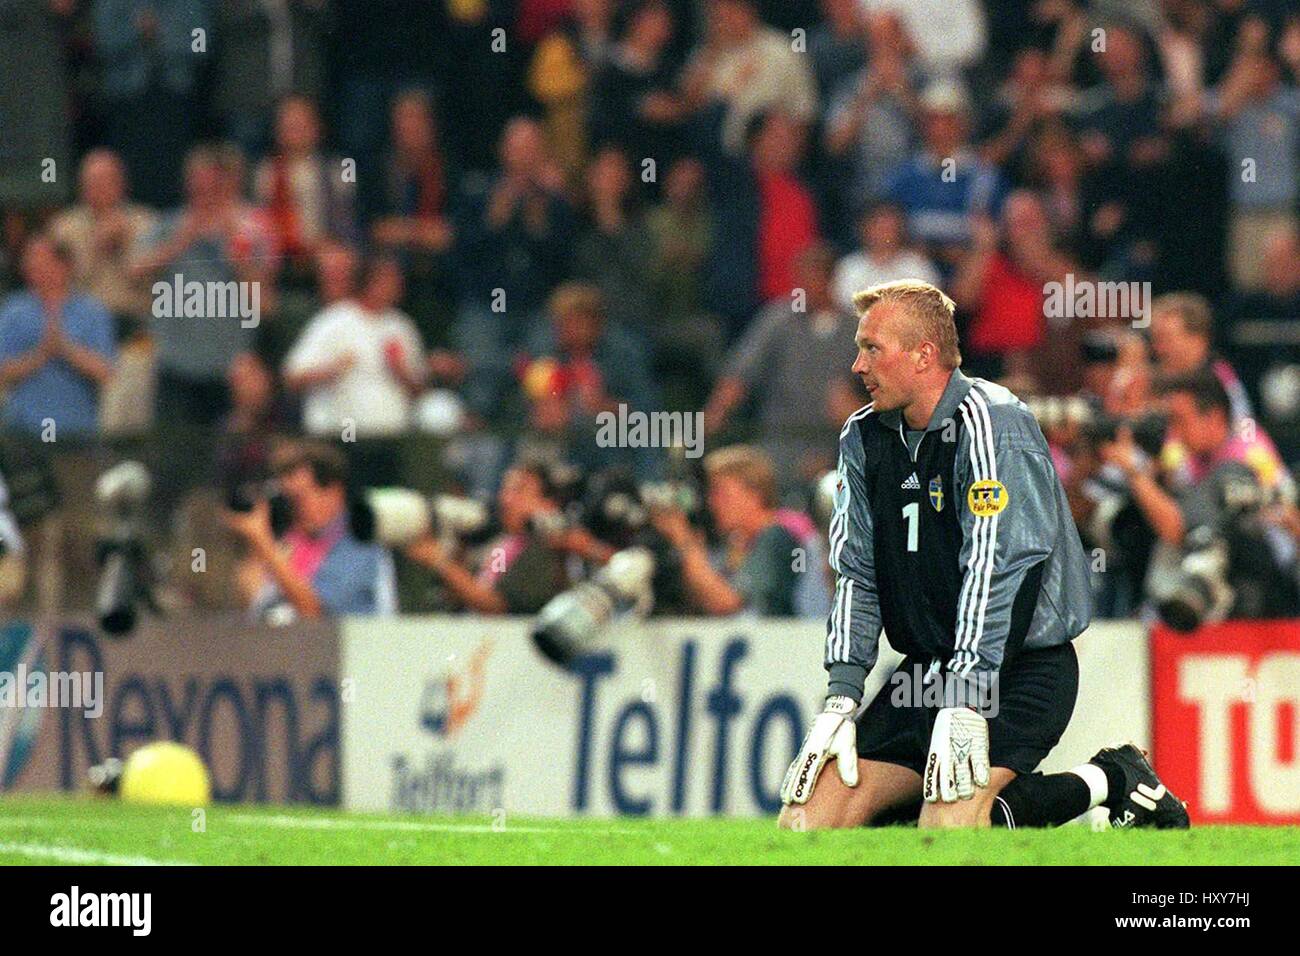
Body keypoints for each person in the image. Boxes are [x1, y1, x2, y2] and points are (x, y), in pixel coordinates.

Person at [778, 279, 1187, 830]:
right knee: (804, 822)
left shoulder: (994, 422)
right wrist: (841, 697)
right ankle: (915, 808)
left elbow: (996, 569)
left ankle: (1109, 779)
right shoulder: (863, 436)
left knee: (948, 828)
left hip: (1022, 666)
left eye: (872, 348)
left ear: (924, 355)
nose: (857, 365)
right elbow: (857, 571)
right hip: (924, 673)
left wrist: (967, 695)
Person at [228, 440, 395, 621]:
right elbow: (256, 611)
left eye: (298, 498)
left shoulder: (360, 539)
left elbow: (314, 612)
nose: (293, 508)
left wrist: (264, 543)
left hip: (352, 645)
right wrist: (257, 548)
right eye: (287, 499)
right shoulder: (288, 544)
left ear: (333, 491)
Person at [650, 445, 826, 617]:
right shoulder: (742, 543)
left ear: (754, 493)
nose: (712, 502)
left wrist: (684, 541)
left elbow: (727, 604)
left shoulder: (776, 537)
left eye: (720, 492)